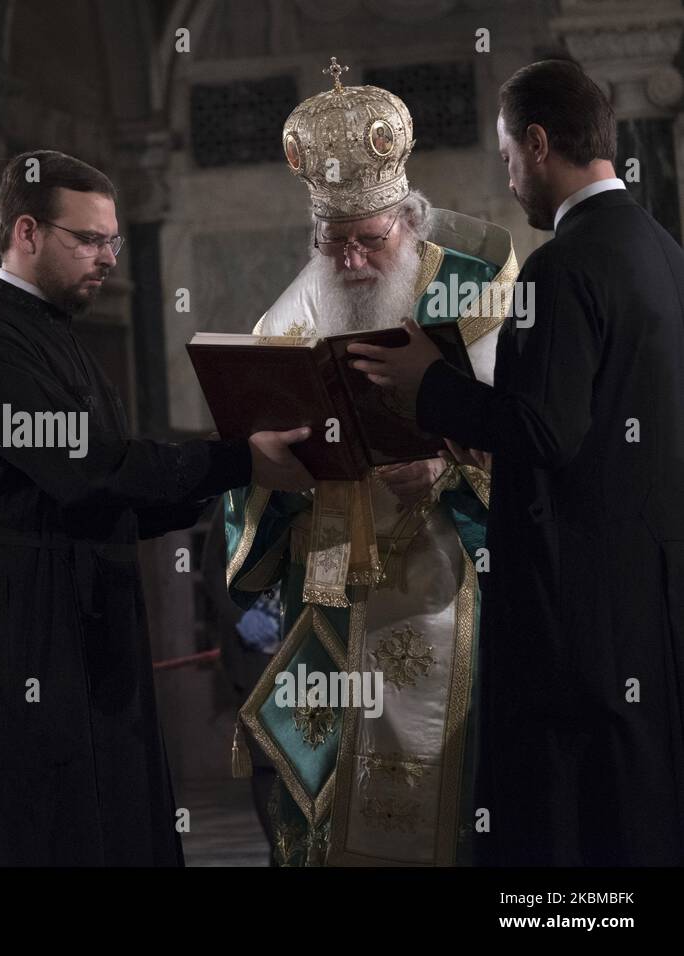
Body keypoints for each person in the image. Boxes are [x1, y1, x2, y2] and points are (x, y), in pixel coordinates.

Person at [348, 58, 684, 865]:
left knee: (570, 818)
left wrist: (427, 384)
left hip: (576, 601)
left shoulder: (563, 266)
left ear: (537, 143)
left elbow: (545, 429)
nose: (509, 183)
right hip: (651, 586)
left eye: (505, 159)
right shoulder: (663, 252)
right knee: (639, 800)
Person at [0, 149, 276, 866]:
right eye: (88, 238)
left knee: (116, 810)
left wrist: (235, 476)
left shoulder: (62, 338)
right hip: (27, 623)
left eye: (113, 239)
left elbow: (114, 491)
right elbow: (93, 472)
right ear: (26, 234)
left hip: (92, 614)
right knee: (50, 823)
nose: (108, 256)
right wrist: (238, 456)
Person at [224, 64, 516, 865]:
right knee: (335, 798)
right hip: (335, 599)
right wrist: (273, 469)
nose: (351, 259)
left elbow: (531, 431)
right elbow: (251, 482)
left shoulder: (475, 289)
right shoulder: (286, 320)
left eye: (370, 240)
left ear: (409, 222)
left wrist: (451, 474)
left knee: (451, 790)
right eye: (334, 243)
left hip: (450, 581)